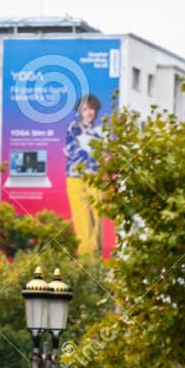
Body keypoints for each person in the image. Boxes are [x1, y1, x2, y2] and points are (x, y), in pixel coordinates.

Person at [63, 94, 103, 257]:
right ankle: (87, 262)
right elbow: (71, 149)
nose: (89, 112)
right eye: (85, 109)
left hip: (95, 177)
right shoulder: (74, 126)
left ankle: (96, 260)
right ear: (80, 111)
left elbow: (106, 154)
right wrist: (90, 154)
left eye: (91, 108)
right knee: (82, 222)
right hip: (76, 178)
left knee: (98, 220)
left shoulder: (100, 131)